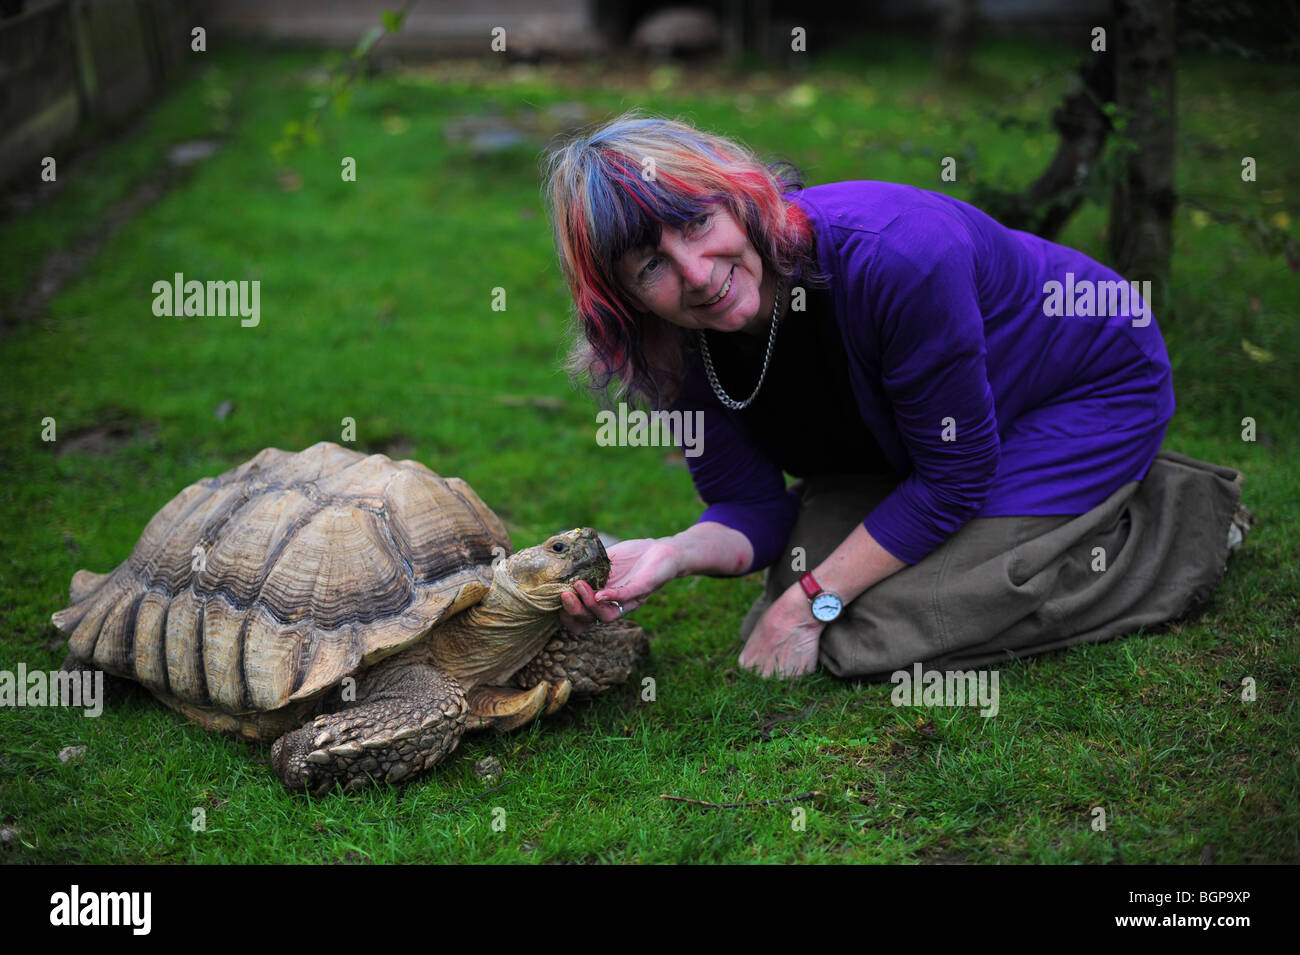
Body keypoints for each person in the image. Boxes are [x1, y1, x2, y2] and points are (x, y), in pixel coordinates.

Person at [541, 110, 1250, 680]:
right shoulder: (670, 348)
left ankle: (1179, 518)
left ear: (738, 197)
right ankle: (1057, 515)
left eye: (697, 224)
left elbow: (954, 479)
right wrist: (674, 550)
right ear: (625, 299)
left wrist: (811, 606)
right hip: (922, 443)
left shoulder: (898, 257)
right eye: (652, 265)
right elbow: (753, 508)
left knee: (863, 631)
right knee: (782, 601)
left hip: (1085, 390)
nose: (696, 273)